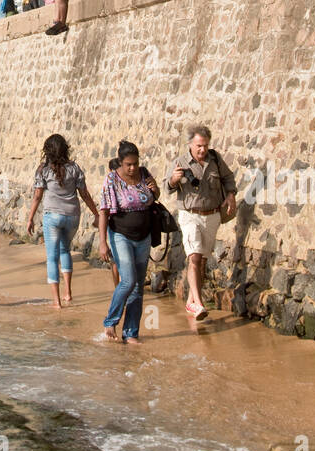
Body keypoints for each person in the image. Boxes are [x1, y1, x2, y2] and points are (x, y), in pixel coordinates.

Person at [164, 125, 237, 321]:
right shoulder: (180, 162)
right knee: (194, 258)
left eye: (205, 145)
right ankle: (199, 303)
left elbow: (228, 178)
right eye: (198, 146)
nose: (202, 150)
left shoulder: (215, 160)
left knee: (202, 262)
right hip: (190, 215)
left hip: (212, 215)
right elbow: (167, 187)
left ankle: (191, 301)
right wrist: (173, 180)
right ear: (190, 144)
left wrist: (231, 195)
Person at [26, 134, 99, 308]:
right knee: (65, 250)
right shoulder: (74, 168)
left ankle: (57, 302)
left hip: (52, 216)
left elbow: (37, 196)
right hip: (72, 215)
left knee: (52, 258)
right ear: (65, 149)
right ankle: (68, 293)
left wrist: (30, 219)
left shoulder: (43, 170)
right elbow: (85, 194)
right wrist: (96, 213)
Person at [98, 141, 160, 343]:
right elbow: (104, 212)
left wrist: (155, 189)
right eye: (128, 165)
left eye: (135, 163)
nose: (133, 168)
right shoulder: (111, 179)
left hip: (144, 236)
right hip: (120, 235)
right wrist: (102, 242)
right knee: (128, 281)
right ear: (121, 163)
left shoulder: (144, 173)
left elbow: (153, 197)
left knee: (138, 288)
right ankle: (110, 321)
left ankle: (131, 333)